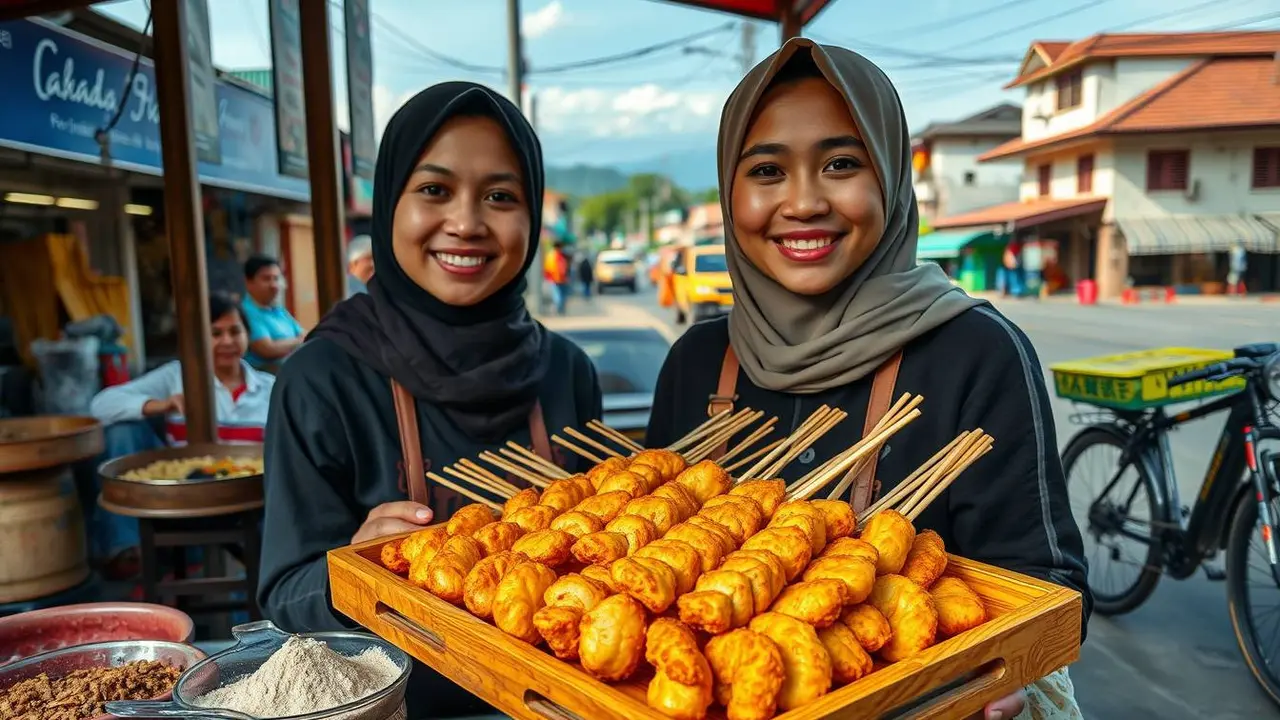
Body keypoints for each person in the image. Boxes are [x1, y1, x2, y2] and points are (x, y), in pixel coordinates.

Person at [644, 40, 1089, 720]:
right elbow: (649, 549)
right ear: (729, 192)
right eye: (766, 170)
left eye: (841, 164)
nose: (803, 202)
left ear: (888, 175)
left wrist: (1005, 672)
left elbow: (1050, 589)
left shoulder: (976, 351)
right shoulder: (697, 361)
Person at [258, 81, 602, 719]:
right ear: (390, 204)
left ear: (532, 219)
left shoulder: (567, 372)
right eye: (434, 190)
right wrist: (352, 569)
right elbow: (282, 591)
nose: (467, 223)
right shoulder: (323, 378)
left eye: (500, 196)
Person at [88, 291, 273, 576]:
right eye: (215, 333)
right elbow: (101, 405)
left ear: (247, 336)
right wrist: (158, 404)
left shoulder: (268, 387)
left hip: (246, 496)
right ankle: (127, 549)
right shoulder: (177, 376)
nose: (227, 341)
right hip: (178, 495)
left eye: (235, 331)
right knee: (123, 431)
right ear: (198, 340)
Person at [240, 254, 304, 370]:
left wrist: (290, 343)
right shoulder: (245, 312)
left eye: (276, 278)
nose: (274, 285)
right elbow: (267, 349)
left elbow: (305, 335)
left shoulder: (279, 310)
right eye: (266, 279)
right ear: (249, 283)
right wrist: (298, 341)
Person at [544, 240, 570, 314]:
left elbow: (547, 268)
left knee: (558, 295)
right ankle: (559, 310)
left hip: (557, 279)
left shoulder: (551, 255)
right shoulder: (556, 255)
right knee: (559, 295)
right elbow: (556, 268)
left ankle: (559, 310)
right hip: (558, 279)